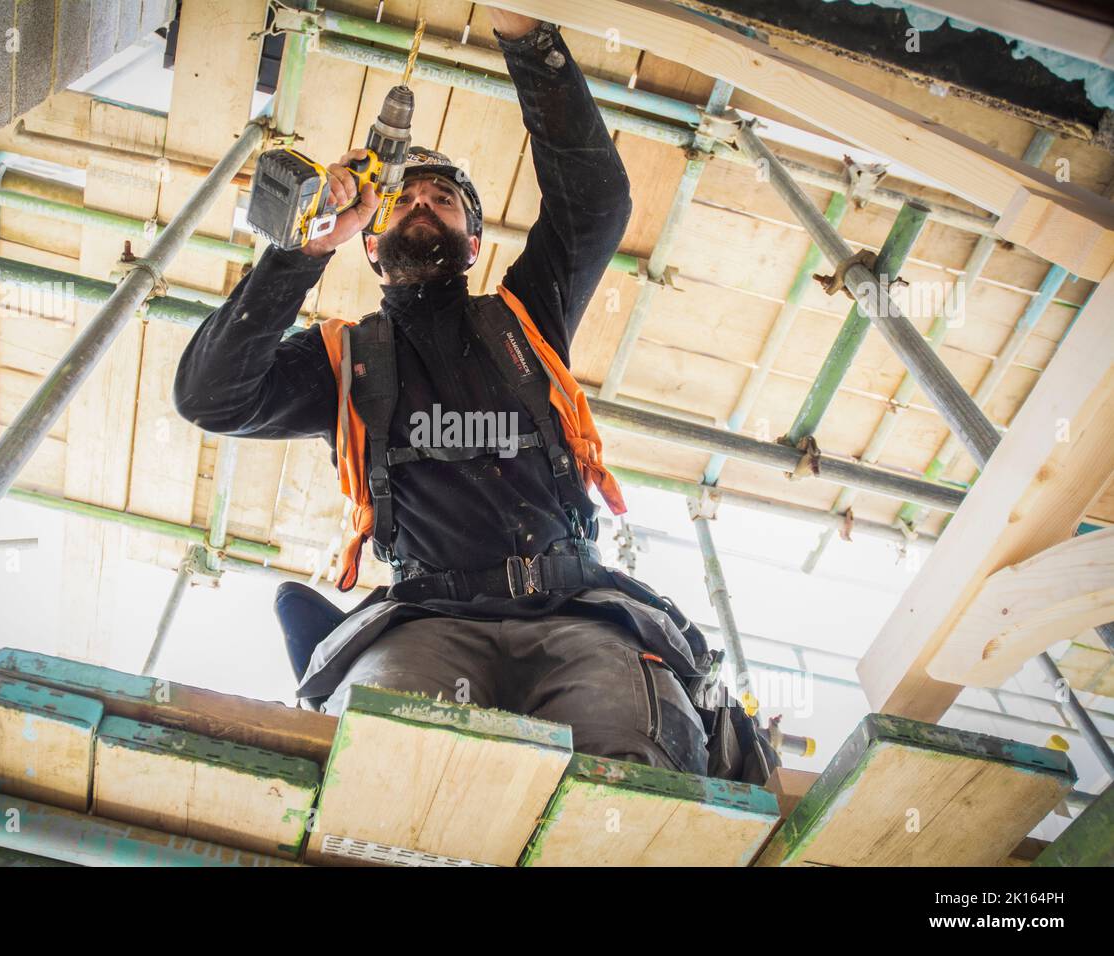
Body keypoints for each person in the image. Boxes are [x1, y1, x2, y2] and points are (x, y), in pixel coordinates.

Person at [174, 10, 776, 782]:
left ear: (474, 246)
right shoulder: (342, 362)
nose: (423, 202)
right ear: (364, 241)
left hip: (581, 617)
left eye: (445, 199)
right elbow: (210, 398)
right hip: (427, 623)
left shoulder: (526, 319)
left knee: (631, 771)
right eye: (403, 197)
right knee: (392, 770)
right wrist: (300, 253)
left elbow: (596, 206)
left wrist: (530, 37)